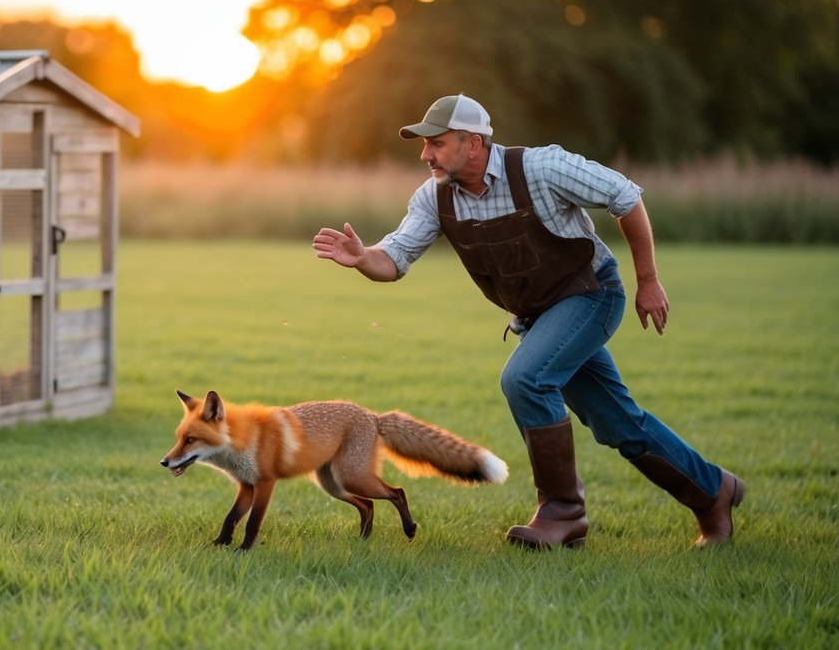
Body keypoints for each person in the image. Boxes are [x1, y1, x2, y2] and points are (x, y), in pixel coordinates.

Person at [312, 94, 745, 549]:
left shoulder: (542, 167)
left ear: (473, 142)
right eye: (424, 146)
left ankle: (563, 512)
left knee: (525, 378)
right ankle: (714, 493)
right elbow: (395, 258)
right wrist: (363, 258)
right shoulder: (434, 197)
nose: (426, 155)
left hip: (591, 294)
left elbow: (626, 196)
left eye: (436, 144)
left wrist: (649, 280)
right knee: (619, 423)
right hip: (539, 318)